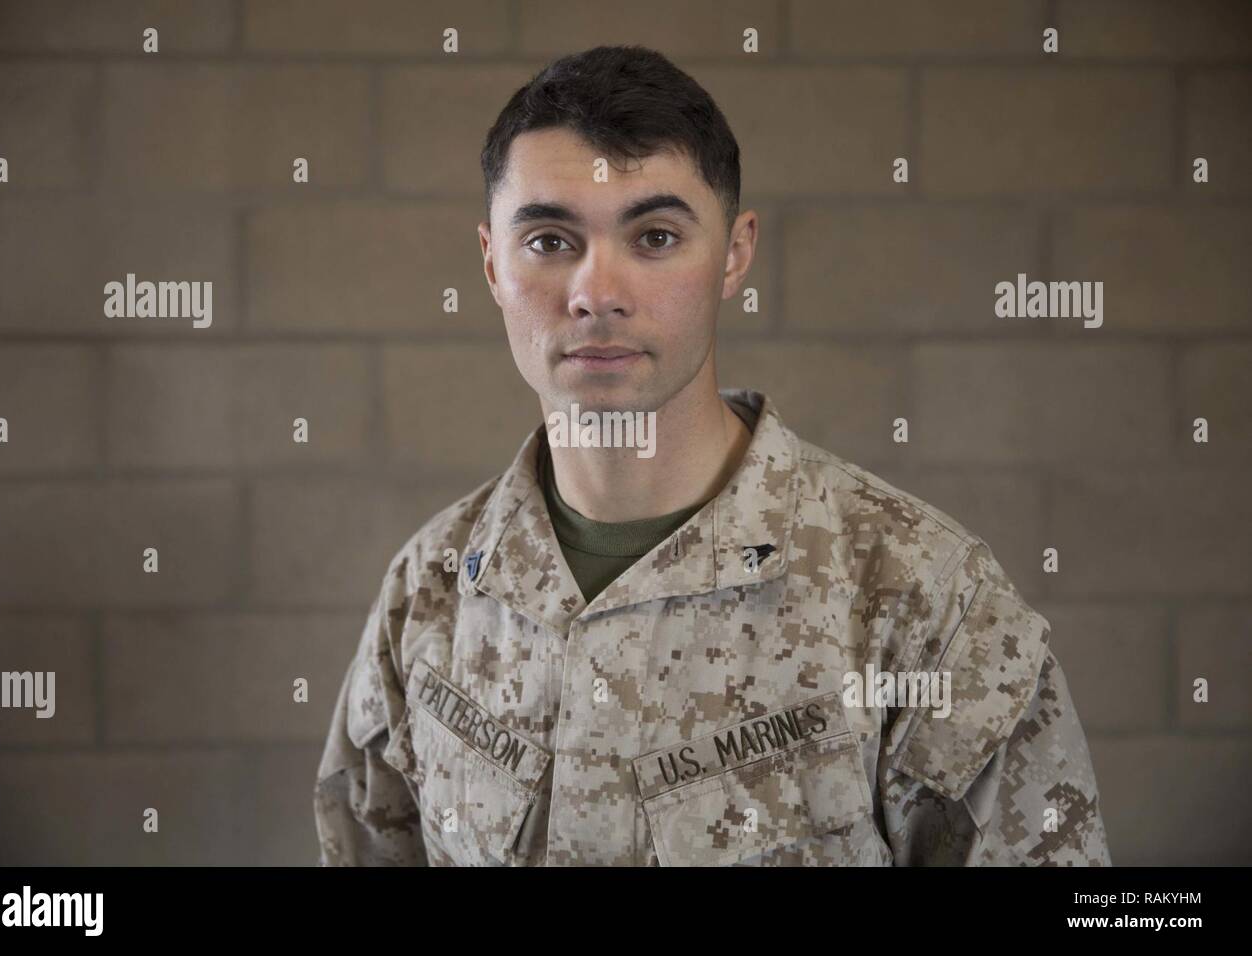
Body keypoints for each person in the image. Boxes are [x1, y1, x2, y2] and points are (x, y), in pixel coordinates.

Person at [314, 44, 1111, 866]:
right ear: (491, 262)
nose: (597, 292)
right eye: (549, 241)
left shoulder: (921, 603)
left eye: (655, 236)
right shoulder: (432, 591)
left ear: (734, 255)